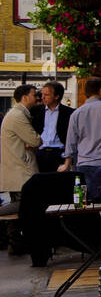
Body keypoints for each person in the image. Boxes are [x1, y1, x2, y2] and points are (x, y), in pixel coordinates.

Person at [57, 77, 101, 190]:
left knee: (87, 200)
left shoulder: (76, 113)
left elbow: (71, 140)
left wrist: (67, 163)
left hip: (83, 164)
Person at [1, 85, 41, 217]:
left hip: (17, 170)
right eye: (34, 95)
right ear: (25, 97)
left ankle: (13, 236)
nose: (37, 98)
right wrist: (34, 141)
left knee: (20, 209)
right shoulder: (18, 115)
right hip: (20, 170)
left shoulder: (18, 113)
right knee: (24, 203)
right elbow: (36, 141)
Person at [32, 82, 73, 174]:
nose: (42, 97)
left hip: (59, 154)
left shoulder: (69, 113)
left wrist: (68, 160)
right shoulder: (36, 111)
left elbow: (71, 137)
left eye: (46, 95)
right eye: (42, 94)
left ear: (56, 96)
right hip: (40, 153)